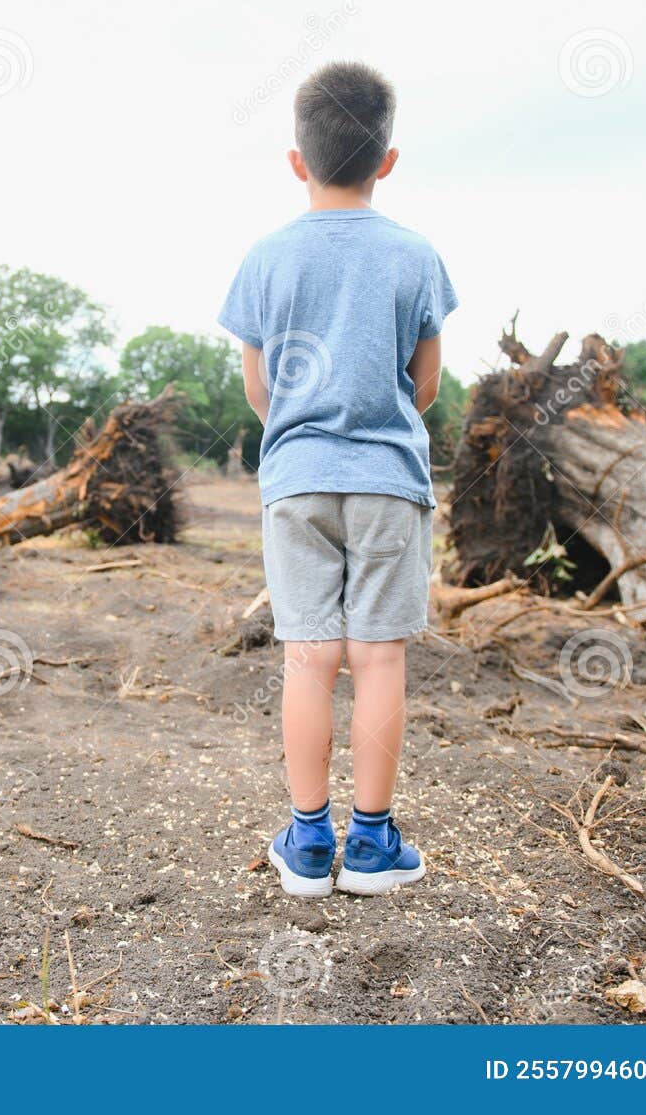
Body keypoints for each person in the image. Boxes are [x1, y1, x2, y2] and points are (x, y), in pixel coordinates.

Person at [217, 61, 457, 896]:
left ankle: (310, 842)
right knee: (378, 656)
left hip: (296, 479)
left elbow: (258, 388)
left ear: (298, 161)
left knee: (309, 655)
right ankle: (375, 845)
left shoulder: (265, 258)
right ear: (387, 161)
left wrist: (298, 429)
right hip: (389, 477)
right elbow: (427, 384)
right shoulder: (415, 255)